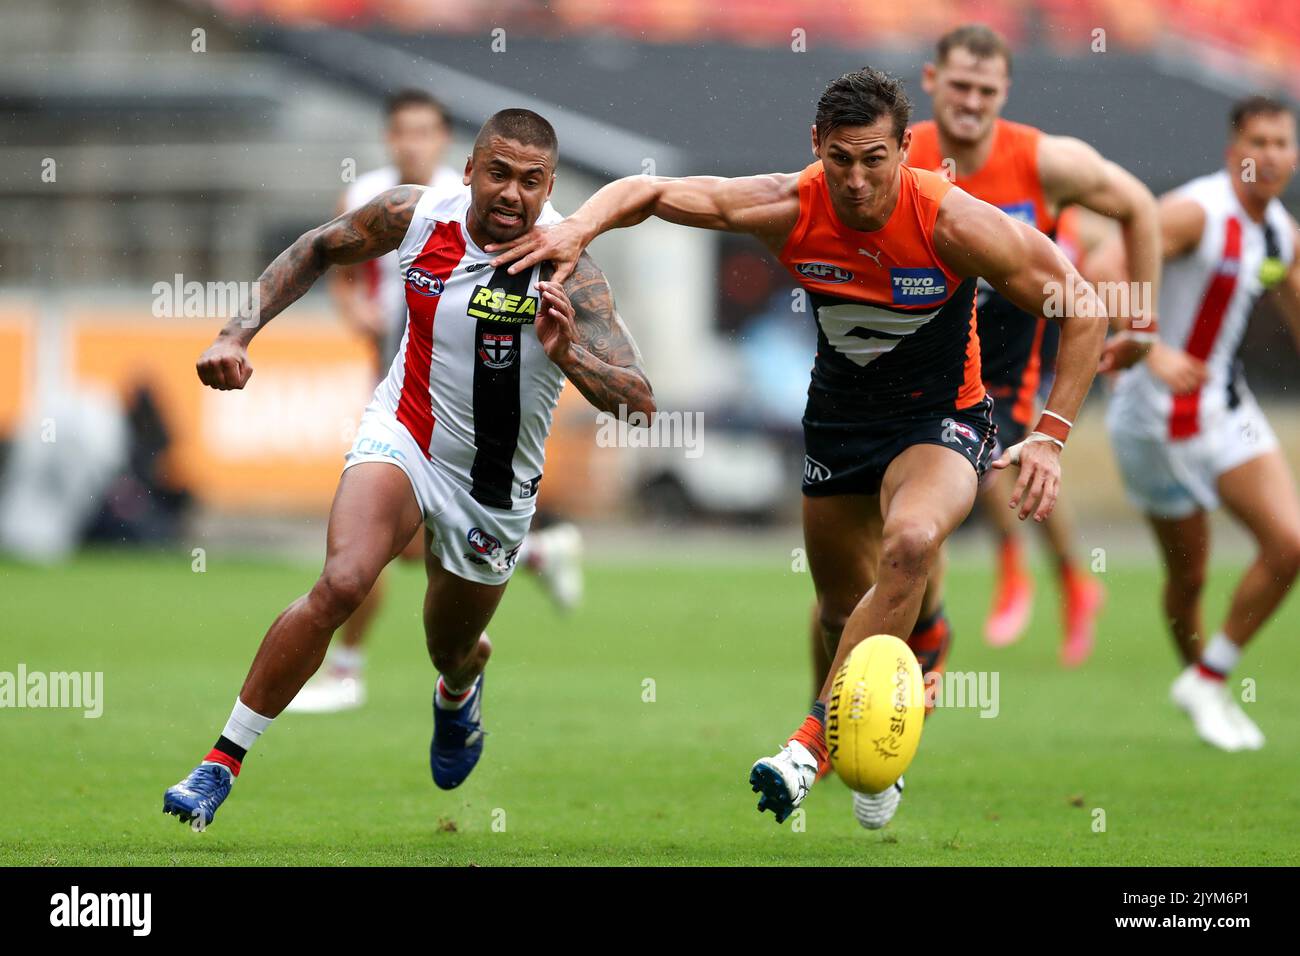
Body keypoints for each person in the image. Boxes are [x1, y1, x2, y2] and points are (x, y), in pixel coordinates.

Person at [489, 69, 1107, 830]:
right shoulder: (786, 205)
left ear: (905, 150)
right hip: (839, 427)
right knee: (839, 611)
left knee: (910, 542)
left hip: (942, 421)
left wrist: (1048, 436)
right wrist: (578, 227)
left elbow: (1081, 304)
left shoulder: (954, 222)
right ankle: (920, 653)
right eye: (840, 158)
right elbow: (649, 193)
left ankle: (809, 747)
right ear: (816, 146)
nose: (855, 179)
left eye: (874, 159)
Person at [163, 109, 655, 829]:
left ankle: (459, 689)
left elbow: (640, 402)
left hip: (493, 489)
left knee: (449, 647)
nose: (512, 194)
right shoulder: (418, 216)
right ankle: (219, 763)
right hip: (404, 436)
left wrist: (570, 353)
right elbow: (318, 247)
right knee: (341, 582)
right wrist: (236, 333)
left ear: (550, 186)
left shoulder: (570, 272)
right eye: (498, 173)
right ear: (468, 170)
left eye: (530, 181)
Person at [291, 90, 583, 714]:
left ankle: (516, 564)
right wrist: (355, 310)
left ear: (449, 145)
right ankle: (347, 668)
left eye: (424, 132)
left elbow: (629, 386)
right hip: (401, 368)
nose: (411, 144)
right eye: (401, 132)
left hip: (476, 390)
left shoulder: (491, 207)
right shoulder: (378, 197)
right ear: (388, 137)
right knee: (363, 548)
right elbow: (339, 263)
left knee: (409, 546)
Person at [905, 24, 1162, 666]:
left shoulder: (1044, 161)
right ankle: (1055, 580)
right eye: (959, 85)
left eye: (986, 90)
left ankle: (1021, 577)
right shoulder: (902, 153)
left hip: (1006, 365)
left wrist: (1142, 319)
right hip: (918, 359)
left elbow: (1139, 208)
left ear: (1006, 92)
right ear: (932, 81)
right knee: (927, 505)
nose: (971, 102)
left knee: (985, 469)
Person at [1103, 96, 1300, 751]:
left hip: (1224, 411)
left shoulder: (1279, 234)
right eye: (1258, 142)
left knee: (1290, 543)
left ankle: (1208, 678)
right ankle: (1200, 682)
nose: (1270, 155)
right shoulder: (1194, 213)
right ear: (1232, 152)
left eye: (1282, 143)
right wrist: (1149, 346)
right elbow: (1103, 268)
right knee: (1188, 578)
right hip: (1152, 423)